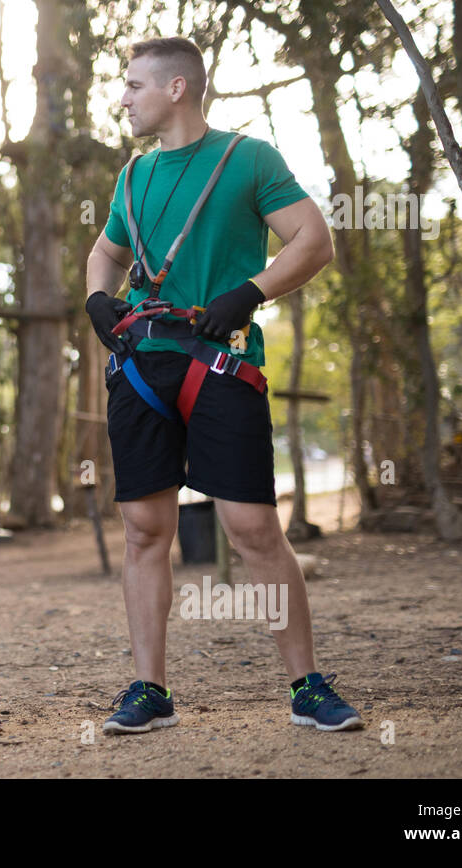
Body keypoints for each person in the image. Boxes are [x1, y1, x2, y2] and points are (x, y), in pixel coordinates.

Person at [84, 37, 364, 734]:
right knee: (145, 529)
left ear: (177, 89)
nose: (123, 98)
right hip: (141, 369)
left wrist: (251, 290)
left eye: (133, 85)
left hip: (223, 363)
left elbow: (312, 239)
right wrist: (97, 297)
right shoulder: (131, 178)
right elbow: (106, 251)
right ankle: (150, 691)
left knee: (252, 528)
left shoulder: (249, 159)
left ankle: (306, 686)